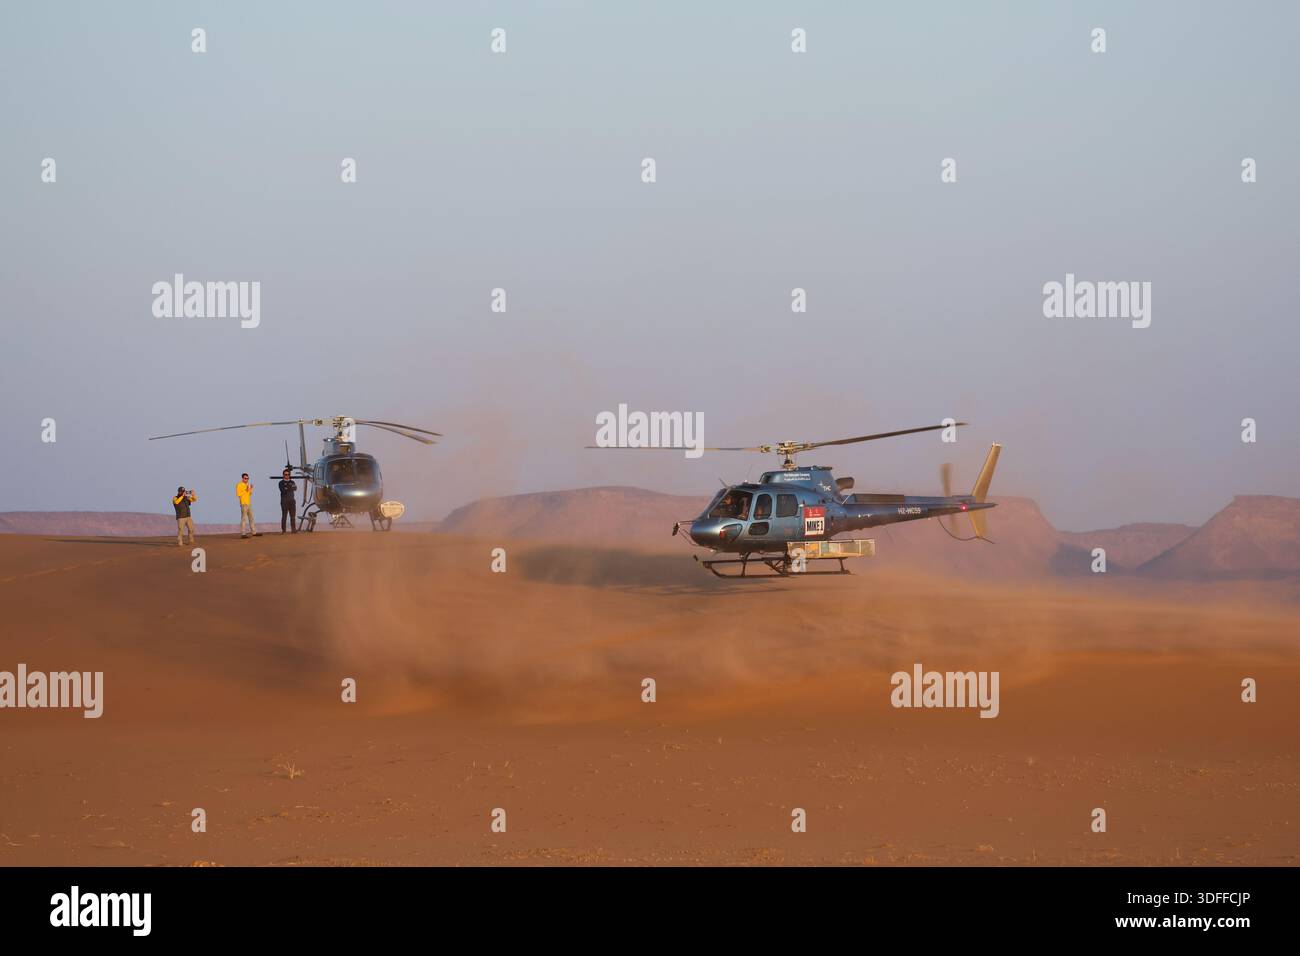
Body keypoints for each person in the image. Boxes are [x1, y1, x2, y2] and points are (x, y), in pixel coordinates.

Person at [236, 473, 256, 538]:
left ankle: (254, 532)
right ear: (242, 478)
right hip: (243, 503)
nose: (246, 479)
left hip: (248, 503)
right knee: (244, 519)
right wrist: (246, 490)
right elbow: (238, 494)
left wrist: (251, 489)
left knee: (251, 518)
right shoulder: (239, 485)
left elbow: (249, 494)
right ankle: (243, 533)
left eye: (247, 478)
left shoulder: (247, 485)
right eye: (245, 478)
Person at [278, 468, 297, 533]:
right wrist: (290, 487)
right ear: (283, 475)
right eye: (285, 474)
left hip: (292, 501)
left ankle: (293, 530)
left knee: (293, 516)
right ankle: (283, 530)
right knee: (284, 516)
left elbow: (295, 488)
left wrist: (287, 487)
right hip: (284, 501)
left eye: (288, 474)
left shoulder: (292, 482)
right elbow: (283, 490)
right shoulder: (281, 482)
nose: (287, 475)